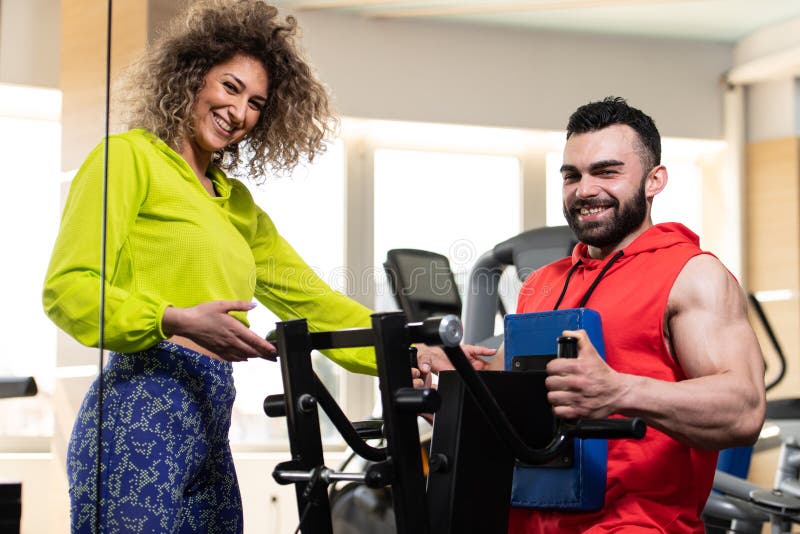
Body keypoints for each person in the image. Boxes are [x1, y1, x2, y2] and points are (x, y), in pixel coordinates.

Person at [43, 1, 493, 531]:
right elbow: (68, 289)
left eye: (256, 102)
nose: (239, 112)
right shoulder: (129, 158)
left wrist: (414, 351)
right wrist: (173, 319)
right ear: (190, 76)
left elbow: (317, 304)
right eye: (230, 87)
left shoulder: (237, 206)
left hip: (211, 417)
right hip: (141, 404)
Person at [419, 96, 766, 532]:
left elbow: (745, 408)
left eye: (607, 171)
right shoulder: (542, 284)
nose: (584, 190)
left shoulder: (691, 274)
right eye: (572, 176)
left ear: (654, 180)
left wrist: (619, 392)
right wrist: (451, 393)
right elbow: (519, 414)